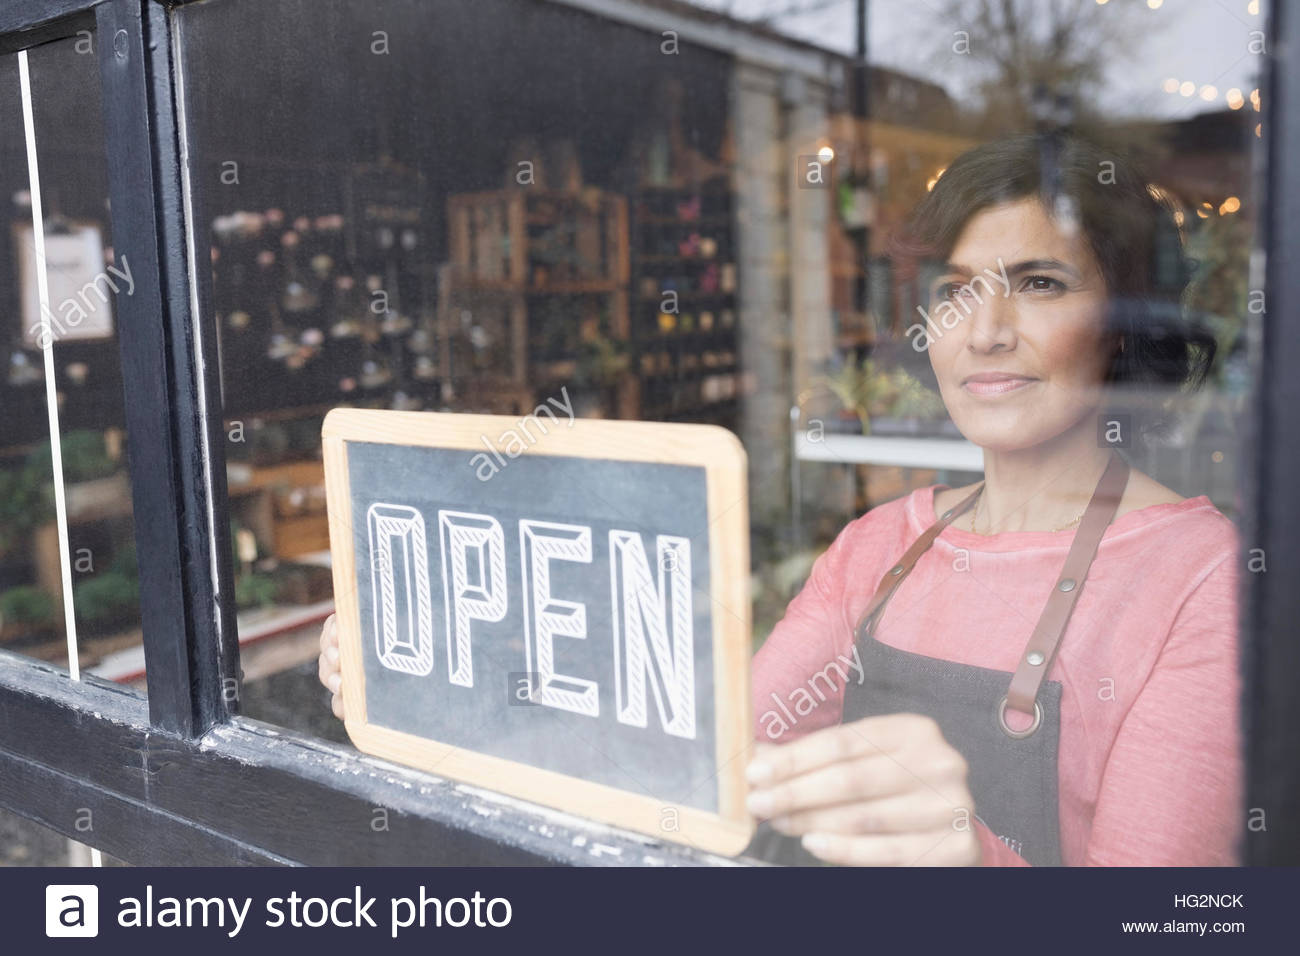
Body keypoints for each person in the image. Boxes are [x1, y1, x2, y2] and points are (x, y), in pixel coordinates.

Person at [319, 133, 1241, 867]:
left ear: (1127, 321)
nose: (986, 331)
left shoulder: (1202, 580)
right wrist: (436, 674)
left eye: (1039, 284)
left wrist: (972, 865)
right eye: (956, 292)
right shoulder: (882, 547)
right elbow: (707, 768)